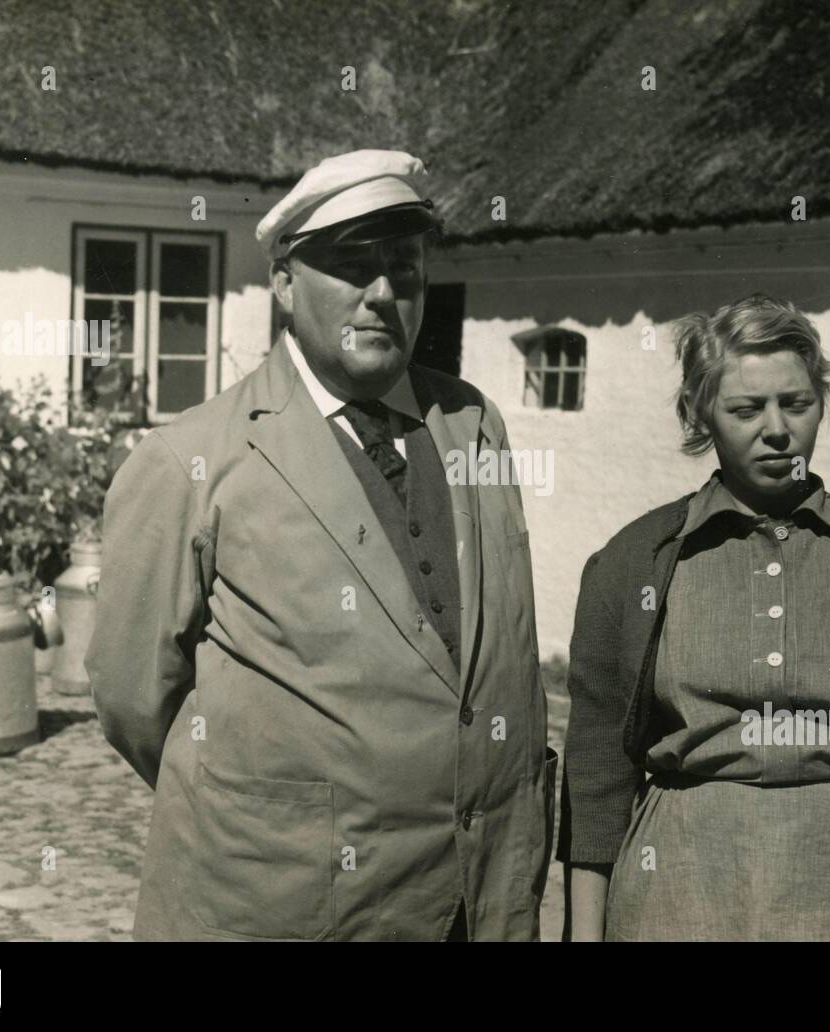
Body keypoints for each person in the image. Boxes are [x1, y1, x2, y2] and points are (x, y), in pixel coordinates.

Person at [87, 149, 555, 941]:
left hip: (481, 896)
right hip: (291, 906)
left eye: (403, 267)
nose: (382, 294)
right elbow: (134, 699)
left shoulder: (474, 423)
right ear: (283, 281)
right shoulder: (193, 461)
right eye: (351, 265)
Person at [558, 294, 830, 941]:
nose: (778, 429)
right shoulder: (631, 565)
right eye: (747, 409)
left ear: (821, 402)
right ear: (701, 414)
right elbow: (595, 777)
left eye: (797, 403)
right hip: (678, 891)